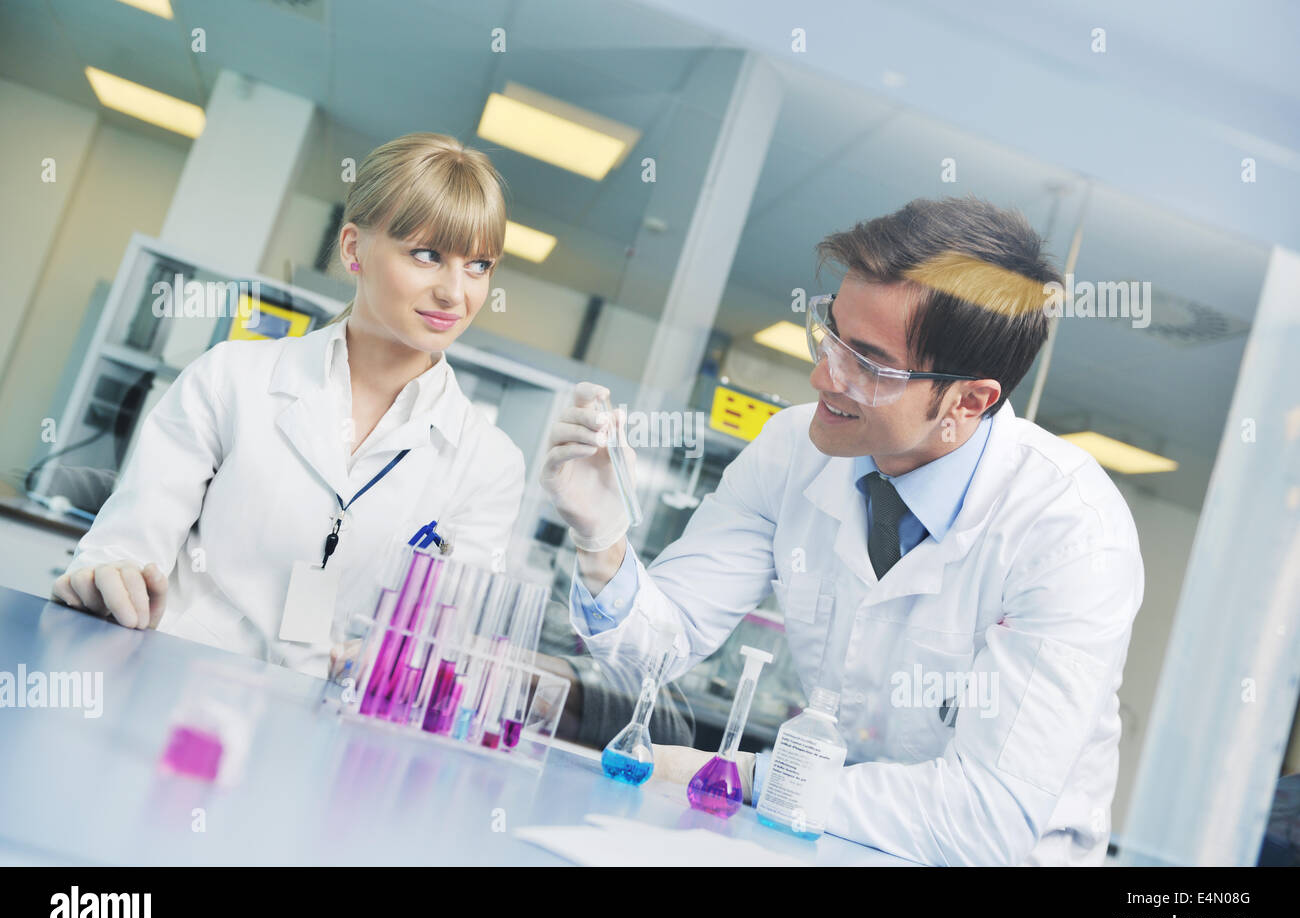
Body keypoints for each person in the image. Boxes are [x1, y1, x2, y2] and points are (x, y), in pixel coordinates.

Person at [541, 196, 1145, 866]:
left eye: (869, 364)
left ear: (969, 400)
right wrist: (602, 538)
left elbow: (985, 818)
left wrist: (742, 779)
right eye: (831, 334)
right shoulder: (789, 449)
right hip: (808, 840)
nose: (823, 375)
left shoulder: (1071, 534)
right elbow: (657, 648)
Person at [52, 133, 525, 679]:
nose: (454, 292)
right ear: (354, 249)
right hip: (165, 690)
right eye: (427, 255)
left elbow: (446, 644)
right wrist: (106, 578)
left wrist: (405, 663)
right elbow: (126, 548)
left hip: (324, 734)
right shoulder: (233, 378)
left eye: (479, 266)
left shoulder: (488, 462)